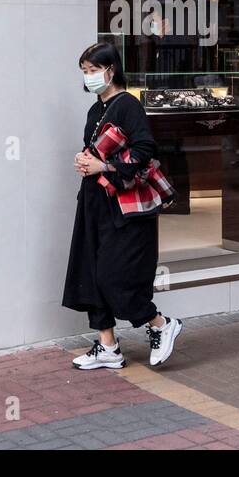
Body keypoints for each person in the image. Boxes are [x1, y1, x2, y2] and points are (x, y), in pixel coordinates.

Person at [62, 41, 183, 369]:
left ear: (110, 70)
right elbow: (97, 151)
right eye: (85, 72)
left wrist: (105, 168)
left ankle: (160, 324)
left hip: (125, 207)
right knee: (90, 273)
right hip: (94, 202)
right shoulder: (95, 109)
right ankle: (108, 346)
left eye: (93, 71)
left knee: (115, 276)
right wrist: (85, 159)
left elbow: (145, 148)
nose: (89, 77)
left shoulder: (127, 104)